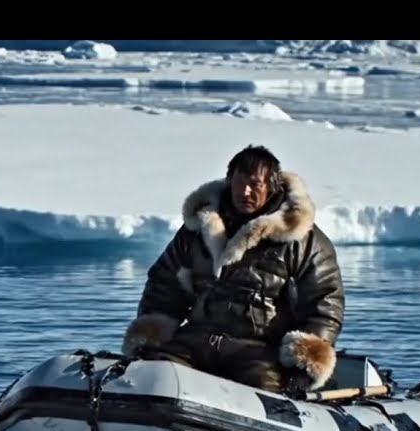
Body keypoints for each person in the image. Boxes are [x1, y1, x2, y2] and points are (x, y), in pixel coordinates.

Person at [121, 144, 346, 394]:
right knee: (152, 379)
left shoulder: (304, 240)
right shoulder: (197, 230)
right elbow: (165, 284)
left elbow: (325, 301)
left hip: (258, 351)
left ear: (271, 187)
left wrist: (302, 361)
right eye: (240, 183)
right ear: (229, 181)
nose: (245, 192)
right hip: (194, 341)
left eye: (255, 185)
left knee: (266, 394)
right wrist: (150, 336)